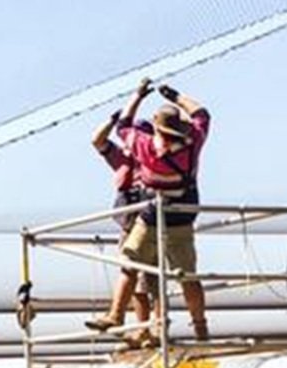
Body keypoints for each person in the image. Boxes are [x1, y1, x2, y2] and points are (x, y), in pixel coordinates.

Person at [88, 80, 211, 342]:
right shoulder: (192, 144)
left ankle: (116, 315)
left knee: (129, 265)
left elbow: (123, 126)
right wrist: (177, 96)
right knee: (187, 276)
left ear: (155, 128)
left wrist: (137, 96)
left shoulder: (143, 146)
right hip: (182, 215)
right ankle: (200, 327)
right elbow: (202, 115)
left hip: (152, 215)